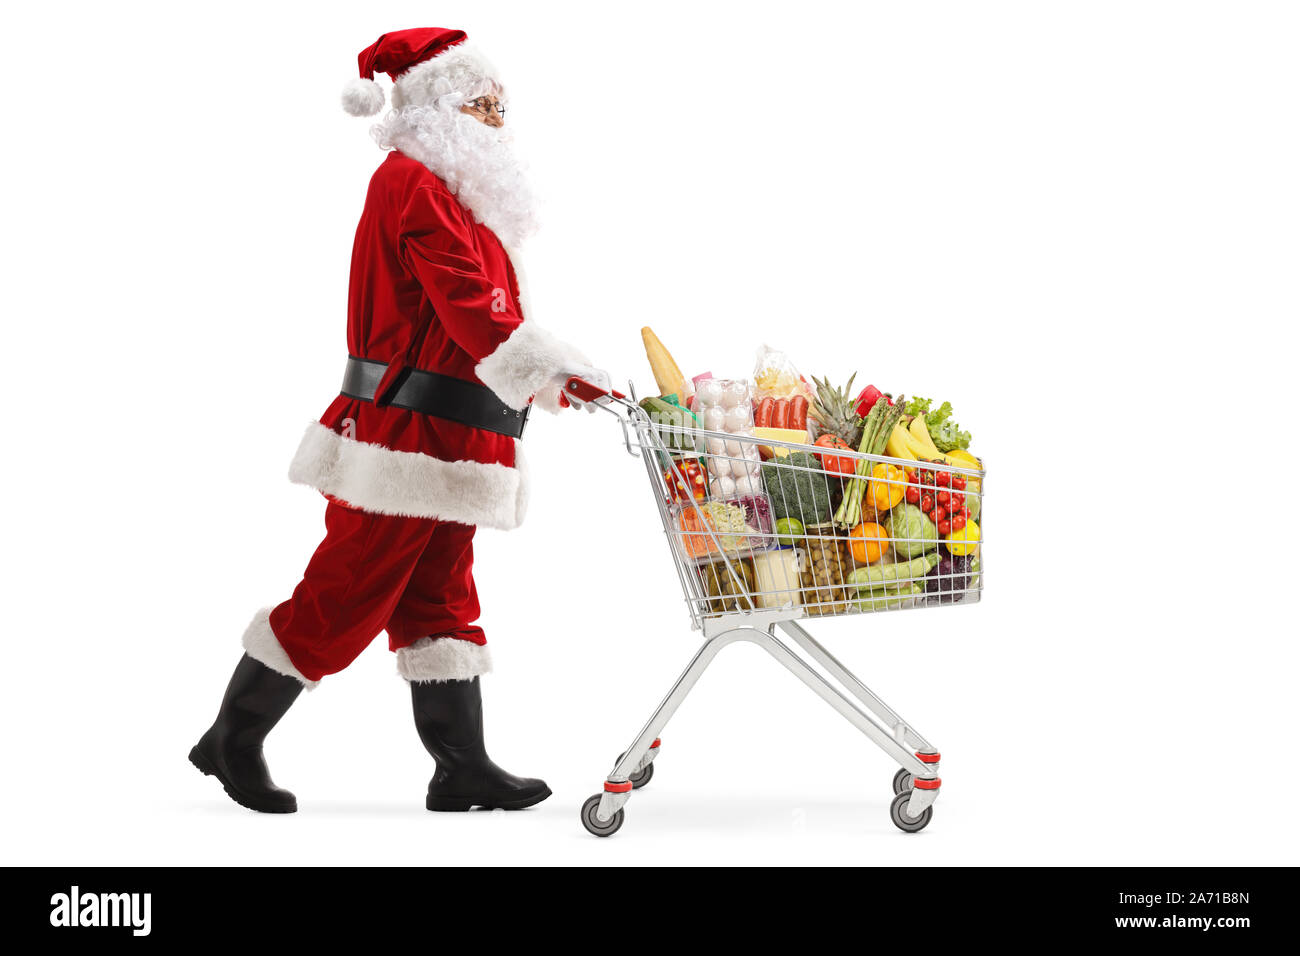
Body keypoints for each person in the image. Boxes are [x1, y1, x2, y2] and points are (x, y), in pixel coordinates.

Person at [190, 28, 607, 814]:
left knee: (441, 598)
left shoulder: (461, 195)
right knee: (348, 589)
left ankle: (461, 767)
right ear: (434, 110)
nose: (495, 117)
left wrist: (550, 383)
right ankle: (231, 738)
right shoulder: (413, 184)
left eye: (498, 103)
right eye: (477, 102)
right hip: (404, 435)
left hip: (457, 436)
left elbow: (488, 316)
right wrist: (552, 372)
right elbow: (467, 307)